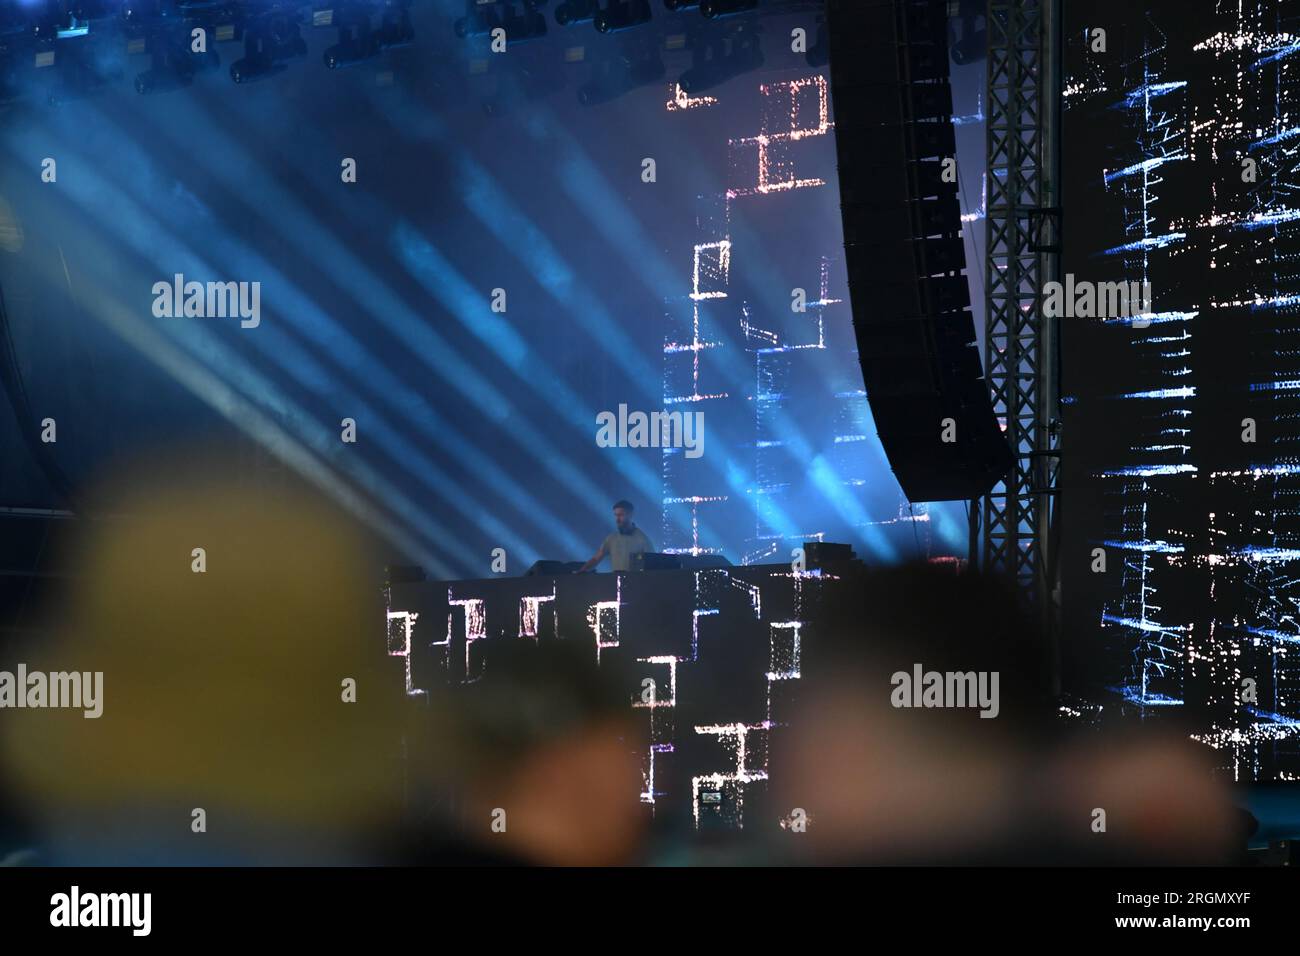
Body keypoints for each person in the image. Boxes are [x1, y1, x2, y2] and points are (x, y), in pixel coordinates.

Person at [577, 500, 653, 573]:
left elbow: (651, 566)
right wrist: (582, 571)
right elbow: (596, 559)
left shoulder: (643, 540)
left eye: (621, 515)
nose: (617, 519)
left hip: (635, 584)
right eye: (616, 515)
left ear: (630, 515)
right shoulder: (611, 538)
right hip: (615, 583)